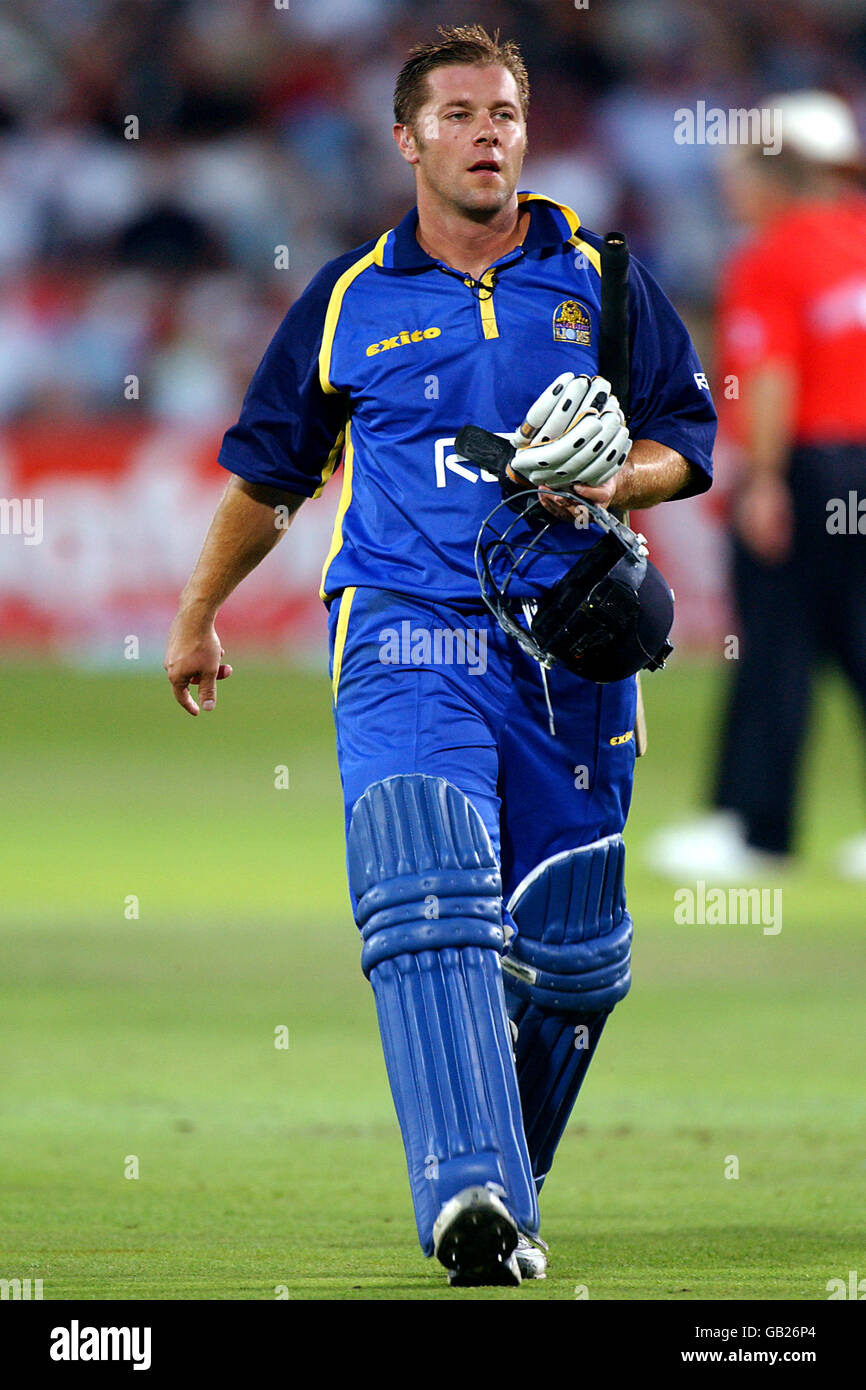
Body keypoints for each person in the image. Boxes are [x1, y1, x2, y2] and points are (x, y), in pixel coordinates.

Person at [164, 25, 715, 1287]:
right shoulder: (352, 298)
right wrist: (197, 614)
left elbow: (688, 434)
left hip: (570, 652)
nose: (488, 135)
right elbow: (268, 472)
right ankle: (466, 1188)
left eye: (506, 114)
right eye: (459, 115)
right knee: (426, 893)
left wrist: (615, 473)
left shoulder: (600, 277)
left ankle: (500, 1181)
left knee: (576, 956)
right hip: (406, 633)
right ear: (406, 139)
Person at [648, 91, 866, 883]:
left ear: (777, 172)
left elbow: (769, 374)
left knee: (774, 644)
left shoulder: (770, 258)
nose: (729, 188)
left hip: (808, 465)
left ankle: (752, 827)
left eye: (739, 171)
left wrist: (765, 480)